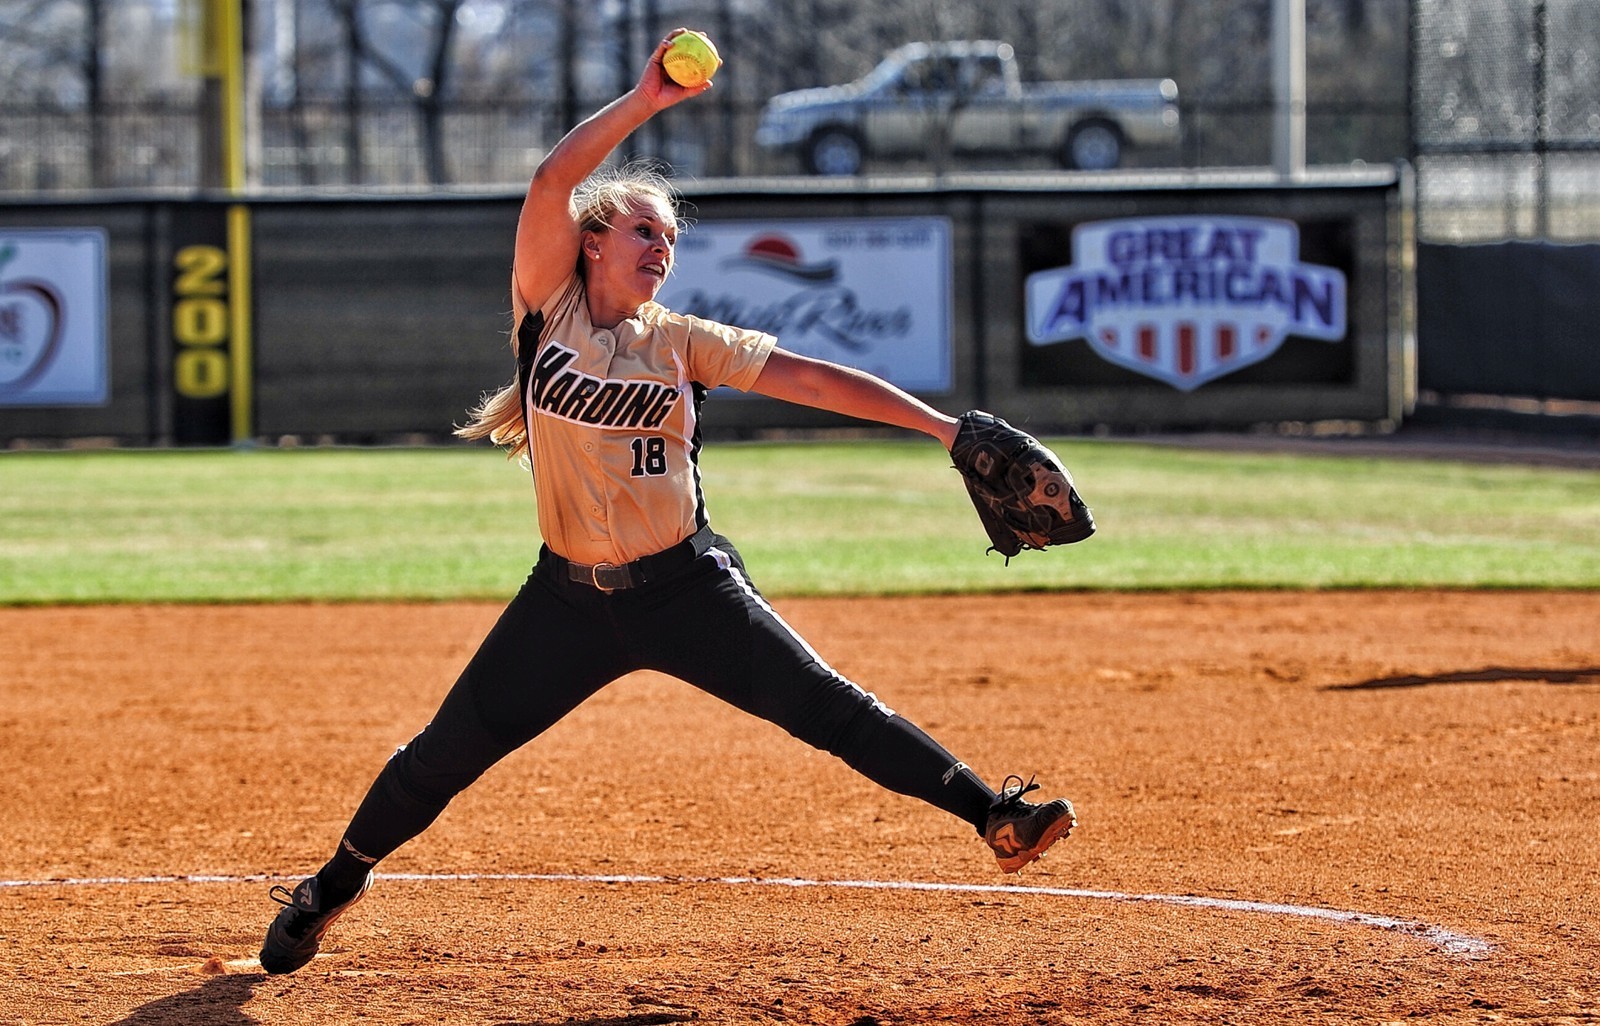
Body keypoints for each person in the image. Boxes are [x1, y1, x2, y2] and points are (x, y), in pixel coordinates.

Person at [258, 29, 1075, 977]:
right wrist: (646, 99)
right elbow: (547, 186)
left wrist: (942, 430)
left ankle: (994, 814)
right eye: (646, 230)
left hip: (687, 592)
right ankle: (332, 887)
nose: (663, 247)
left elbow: (811, 378)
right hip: (565, 604)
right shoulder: (547, 313)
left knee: (830, 707)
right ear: (594, 241)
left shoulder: (682, 342)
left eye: (672, 238)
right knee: (441, 756)